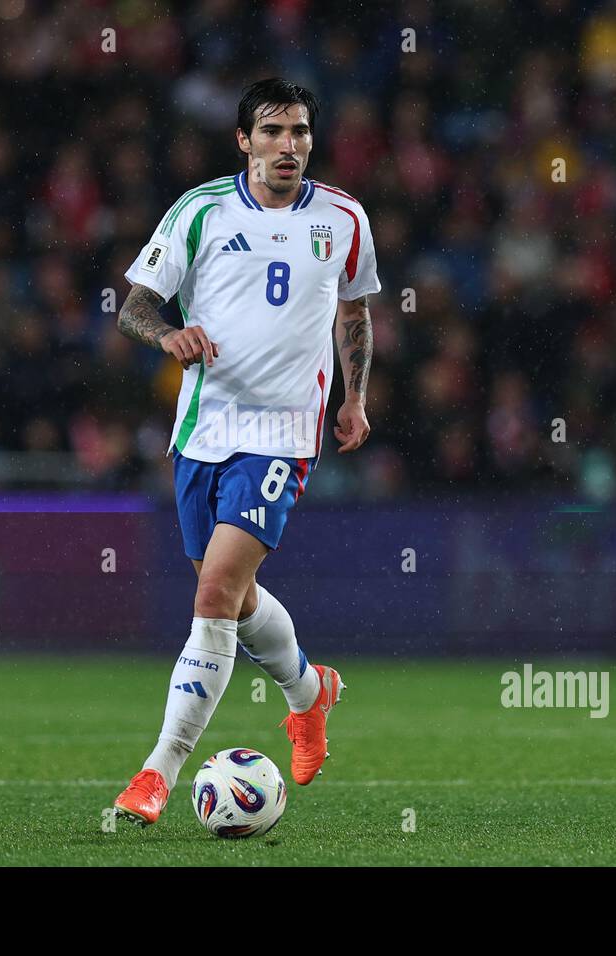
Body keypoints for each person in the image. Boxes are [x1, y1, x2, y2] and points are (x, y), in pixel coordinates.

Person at [111, 78, 381, 826]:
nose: (287, 145)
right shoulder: (199, 211)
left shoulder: (344, 218)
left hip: (283, 434)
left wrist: (354, 398)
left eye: (299, 132)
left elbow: (353, 310)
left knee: (211, 598)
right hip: (202, 430)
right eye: (271, 132)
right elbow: (134, 304)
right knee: (231, 596)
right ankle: (308, 693)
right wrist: (167, 335)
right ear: (243, 141)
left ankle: (156, 773)